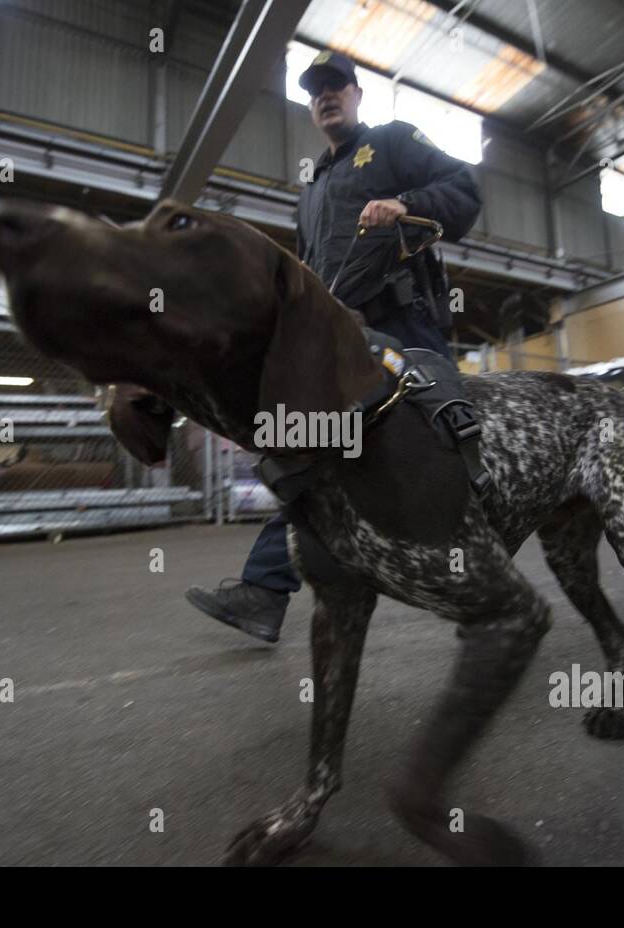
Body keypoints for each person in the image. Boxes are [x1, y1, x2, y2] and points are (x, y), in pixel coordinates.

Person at [184, 50, 482, 643]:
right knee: (308, 450)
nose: (326, 96)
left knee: (455, 447)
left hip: (402, 322)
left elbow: (464, 187)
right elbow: (308, 270)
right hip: (340, 337)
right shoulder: (312, 187)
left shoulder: (394, 142)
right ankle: (265, 591)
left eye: (336, 86)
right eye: (315, 90)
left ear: (357, 92)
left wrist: (407, 203)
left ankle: (483, 580)